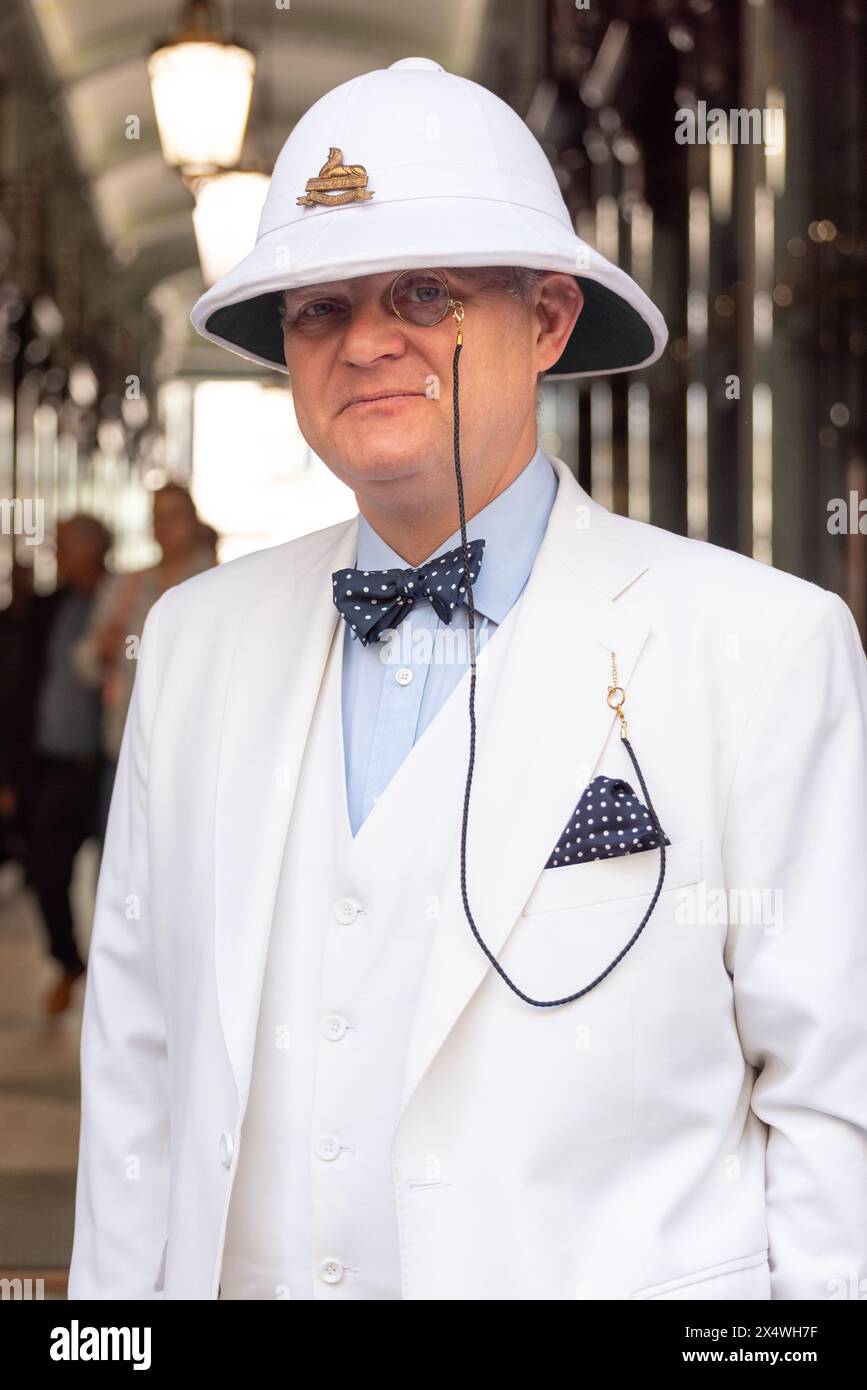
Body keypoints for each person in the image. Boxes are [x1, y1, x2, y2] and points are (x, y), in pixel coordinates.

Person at [68, 58, 867, 1301]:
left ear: (546, 321)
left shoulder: (765, 646)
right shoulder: (192, 639)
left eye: (424, 291)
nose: (365, 342)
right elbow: (136, 1066)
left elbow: (833, 1102)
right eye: (317, 309)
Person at [71, 482, 217, 839]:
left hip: (195, 750)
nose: (164, 526)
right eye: (157, 517)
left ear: (193, 521)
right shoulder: (126, 586)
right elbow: (85, 665)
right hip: (127, 743)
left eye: (173, 516)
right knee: (122, 858)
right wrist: (101, 648)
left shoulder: (219, 583)